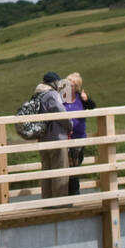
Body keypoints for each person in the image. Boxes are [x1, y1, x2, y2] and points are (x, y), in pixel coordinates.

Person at [36, 71, 73, 200]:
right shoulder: (52, 94)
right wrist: (70, 126)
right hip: (56, 138)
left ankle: (47, 201)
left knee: (47, 171)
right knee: (60, 170)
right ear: (53, 83)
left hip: (43, 138)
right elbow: (61, 114)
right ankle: (60, 202)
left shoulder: (38, 95)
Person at [61, 72, 97, 195]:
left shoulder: (80, 97)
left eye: (71, 85)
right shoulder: (61, 98)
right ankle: (67, 195)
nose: (68, 86)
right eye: (66, 84)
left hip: (79, 137)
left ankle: (74, 194)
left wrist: (87, 100)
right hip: (64, 138)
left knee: (75, 166)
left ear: (76, 87)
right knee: (66, 167)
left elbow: (92, 107)